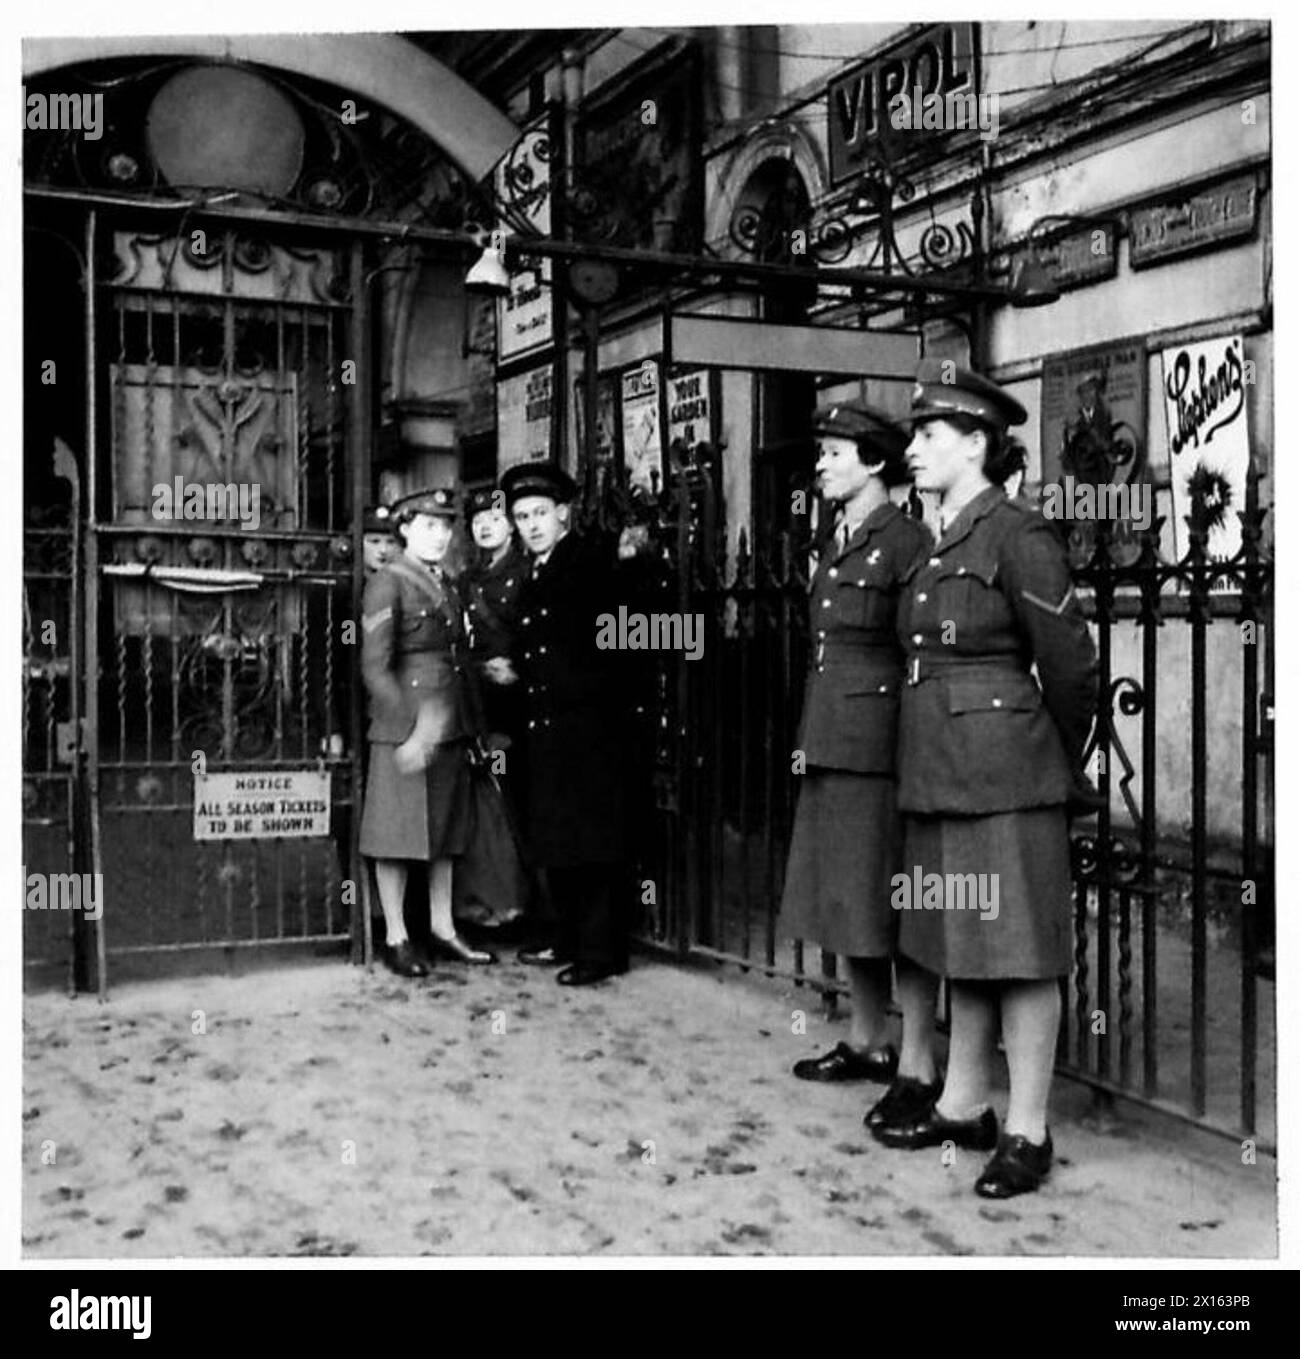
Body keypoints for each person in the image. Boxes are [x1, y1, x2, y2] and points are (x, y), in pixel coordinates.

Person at [868, 360, 1098, 1200]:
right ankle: (964, 1101)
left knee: (1022, 950)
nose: (915, 449)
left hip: (1005, 773)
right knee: (958, 937)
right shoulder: (936, 539)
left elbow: (1071, 669)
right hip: (936, 768)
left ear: (977, 443)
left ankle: (1030, 1127)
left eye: (929, 435)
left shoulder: (1016, 533)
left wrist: (1052, 759)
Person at [778, 401, 932, 1085]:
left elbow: (917, 654)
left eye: (835, 453)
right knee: (849, 900)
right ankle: (868, 1039)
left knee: (887, 902)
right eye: (821, 453)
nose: (821, 465)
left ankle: (916, 1054)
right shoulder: (837, 539)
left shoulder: (906, 543)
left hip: (878, 748)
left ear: (874, 462)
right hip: (831, 739)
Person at [359, 487, 512, 976]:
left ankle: (444, 929)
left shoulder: (446, 582)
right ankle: (397, 936)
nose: (440, 535)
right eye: (429, 526)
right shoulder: (388, 583)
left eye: (446, 527)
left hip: (448, 726)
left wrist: (470, 726)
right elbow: (375, 668)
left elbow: (456, 658)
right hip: (405, 729)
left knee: (446, 834)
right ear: (404, 530)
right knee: (396, 836)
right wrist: (413, 723)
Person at [502, 462, 630, 987]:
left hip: (590, 728)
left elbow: (617, 647)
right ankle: (569, 936)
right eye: (521, 516)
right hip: (547, 727)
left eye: (539, 514)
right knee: (557, 839)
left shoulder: (590, 564)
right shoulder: (532, 570)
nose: (530, 525)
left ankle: (602, 952)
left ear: (562, 513)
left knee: (593, 842)